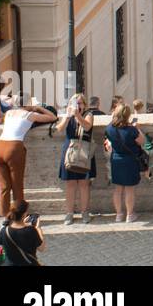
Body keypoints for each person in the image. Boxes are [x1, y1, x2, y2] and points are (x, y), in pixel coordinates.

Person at [0, 94, 54, 218]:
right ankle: (19, 216)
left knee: (4, 187)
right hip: (14, 148)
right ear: (28, 103)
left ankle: (6, 217)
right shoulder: (29, 115)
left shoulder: (9, 113)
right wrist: (38, 108)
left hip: (0, 147)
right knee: (17, 185)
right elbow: (52, 117)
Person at [57, 93, 96, 225]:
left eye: (80, 103)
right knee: (70, 184)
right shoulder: (67, 115)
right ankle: (69, 213)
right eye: (75, 103)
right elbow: (59, 129)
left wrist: (77, 115)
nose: (77, 106)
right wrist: (68, 117)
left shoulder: (88, 114)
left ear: (84, 105)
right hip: (69, 150)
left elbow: (87, 126)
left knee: (84, 184)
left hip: (84, 151)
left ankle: (85, 212)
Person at [104, 104, 145, 224]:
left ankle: (118, 215)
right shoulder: (131, 130)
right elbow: (142, 141)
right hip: (130, 161)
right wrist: (137, 128)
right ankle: (130, 215)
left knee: (118, 189)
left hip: (116, 159)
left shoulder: (110, 128)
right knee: (129, 189)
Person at [0, 200, 44, 266]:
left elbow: (4, 247)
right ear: (24, 214)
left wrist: (23, 223)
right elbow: (41, 248)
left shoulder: (4, 230)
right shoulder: (31, 230)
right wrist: (38, 228)